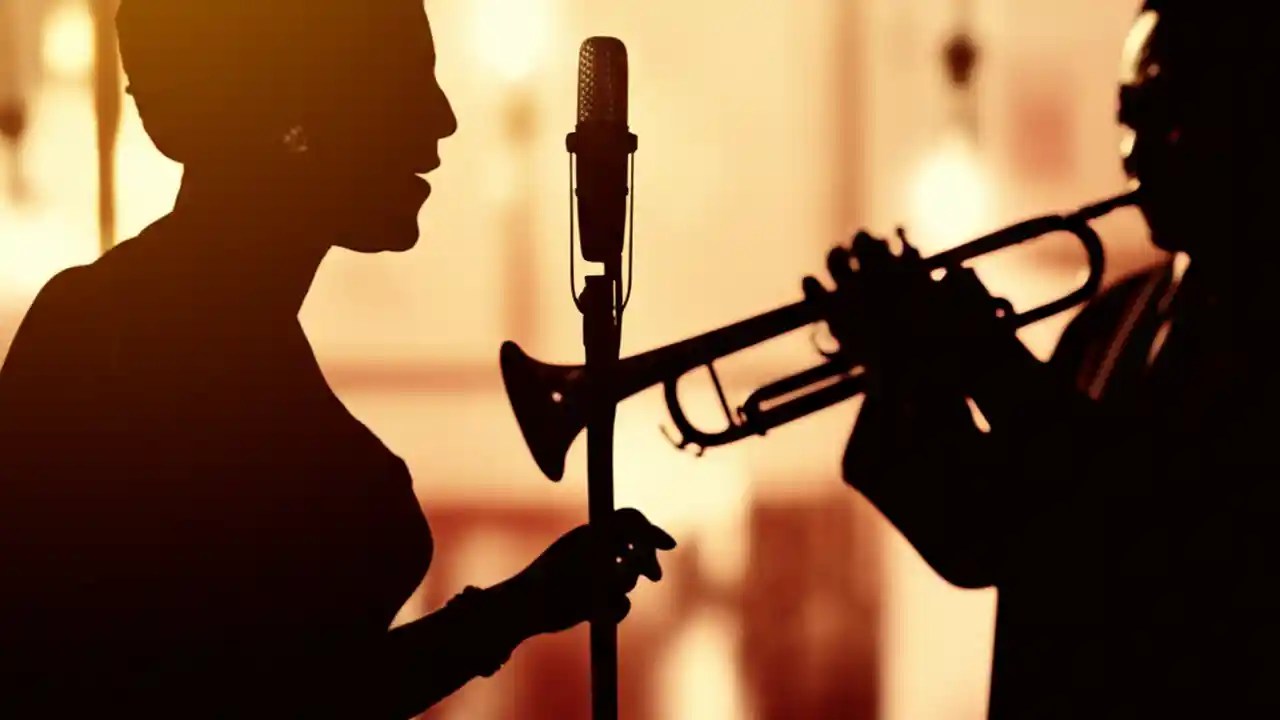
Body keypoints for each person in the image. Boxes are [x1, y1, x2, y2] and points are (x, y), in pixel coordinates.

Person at [0, 2, 675, 717]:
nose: (443, 120)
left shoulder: (117, 318)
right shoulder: (145, 338)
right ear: (299, 121)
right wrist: (516, 611)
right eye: (411, 85)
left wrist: (519, 608)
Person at [806, 1, 1279, 717]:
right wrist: (906, 372)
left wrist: (987, 363)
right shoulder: (1113, 317)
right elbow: (984, 535)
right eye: (1129, 113)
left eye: (1171, 114)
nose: (1135, 150)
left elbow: (1155, 537)